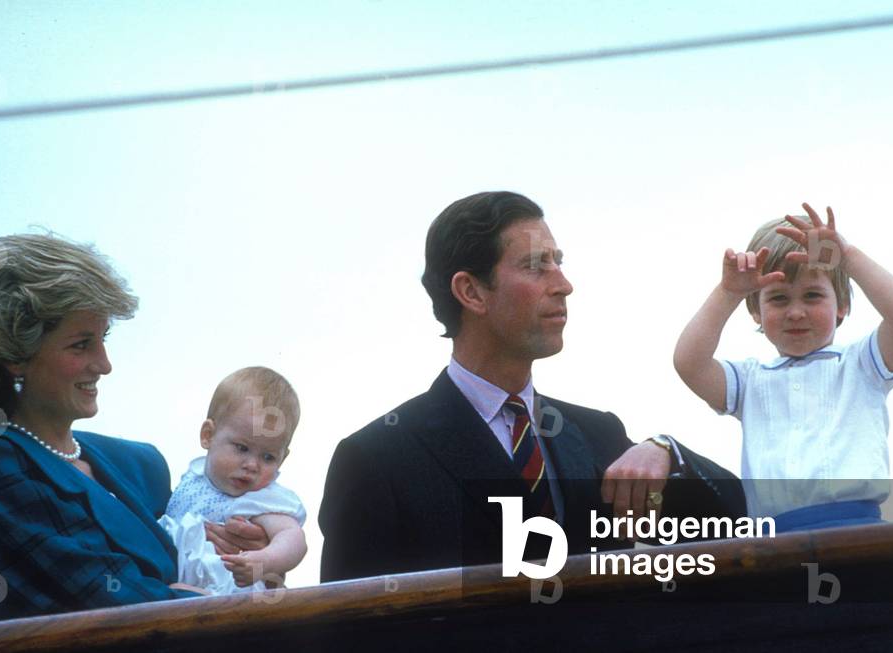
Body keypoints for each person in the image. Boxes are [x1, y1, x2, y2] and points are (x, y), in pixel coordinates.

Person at [319, 191, 745, 582]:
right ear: (471, 291)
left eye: (558, 261)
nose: (564, 284)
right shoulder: (375, 460)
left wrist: (667, 452)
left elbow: (735, 530)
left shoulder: (597, 435)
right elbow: (346, 631)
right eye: (535, 265)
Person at [0, 234, 251, 620]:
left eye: (103, 338)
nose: (104, 364)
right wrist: (196, 599)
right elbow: (109, 601)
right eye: (81, 344)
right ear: (17, 355)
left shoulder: (138, 463)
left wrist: (252, 558)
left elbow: (198, 566)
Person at [673, 203, 893, 531]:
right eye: (778, 299)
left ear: (842, 305)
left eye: (813, 295)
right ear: (756, 312)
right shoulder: (750, 381)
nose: (796, 312)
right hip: (773, 542)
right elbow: (689, 362)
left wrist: (848, 258)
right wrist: (727, 293)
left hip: (856, 531)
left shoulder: (862, 366)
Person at [161, 366, 307, 594]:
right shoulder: (193, 479)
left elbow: (293, 537)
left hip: (231, 592)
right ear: (208, 435)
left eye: (268, 457)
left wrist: (263, 561)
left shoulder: (260, 498)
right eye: (242, 448)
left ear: (283, 458)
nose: (252, 465)